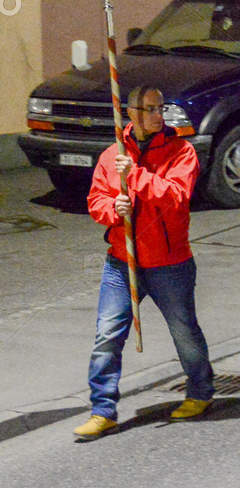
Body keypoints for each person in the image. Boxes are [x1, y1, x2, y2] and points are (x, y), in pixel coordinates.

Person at [74, 85, 214, 439]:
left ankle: (200, 392)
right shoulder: (112, 155)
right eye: (149, 109)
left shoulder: (182, 152)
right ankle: (102, 410)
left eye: (160, 108)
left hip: (170, 263)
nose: (157, 115)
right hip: (122, 263)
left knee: (184, 331)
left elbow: (176, 198)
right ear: (131, 113)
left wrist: (135, 175)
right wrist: (113, 210)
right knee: (107, 334)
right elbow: (96, 201)